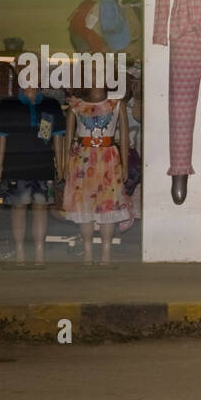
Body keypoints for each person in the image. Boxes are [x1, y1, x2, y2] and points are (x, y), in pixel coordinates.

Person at [0, 82, 67, 268]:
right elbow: (1, 136)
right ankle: (19, 252)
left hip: (44, 165)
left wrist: (60, 164)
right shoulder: (8, 105)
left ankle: (40, 253)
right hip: (15, 165)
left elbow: (57, 137)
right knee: (18, 208)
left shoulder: (51, 105)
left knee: (41, 208)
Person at [62, 83, 131, 266]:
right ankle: (87, 251)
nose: (96, 79)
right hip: (82, 159)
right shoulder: (75, 106)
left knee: (108, 206)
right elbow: (68, 137)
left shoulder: (116, 104)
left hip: (108, 158)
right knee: (83, 206)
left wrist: (125, 165)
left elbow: (124, 137)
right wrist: (64, 164)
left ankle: (106, 252)